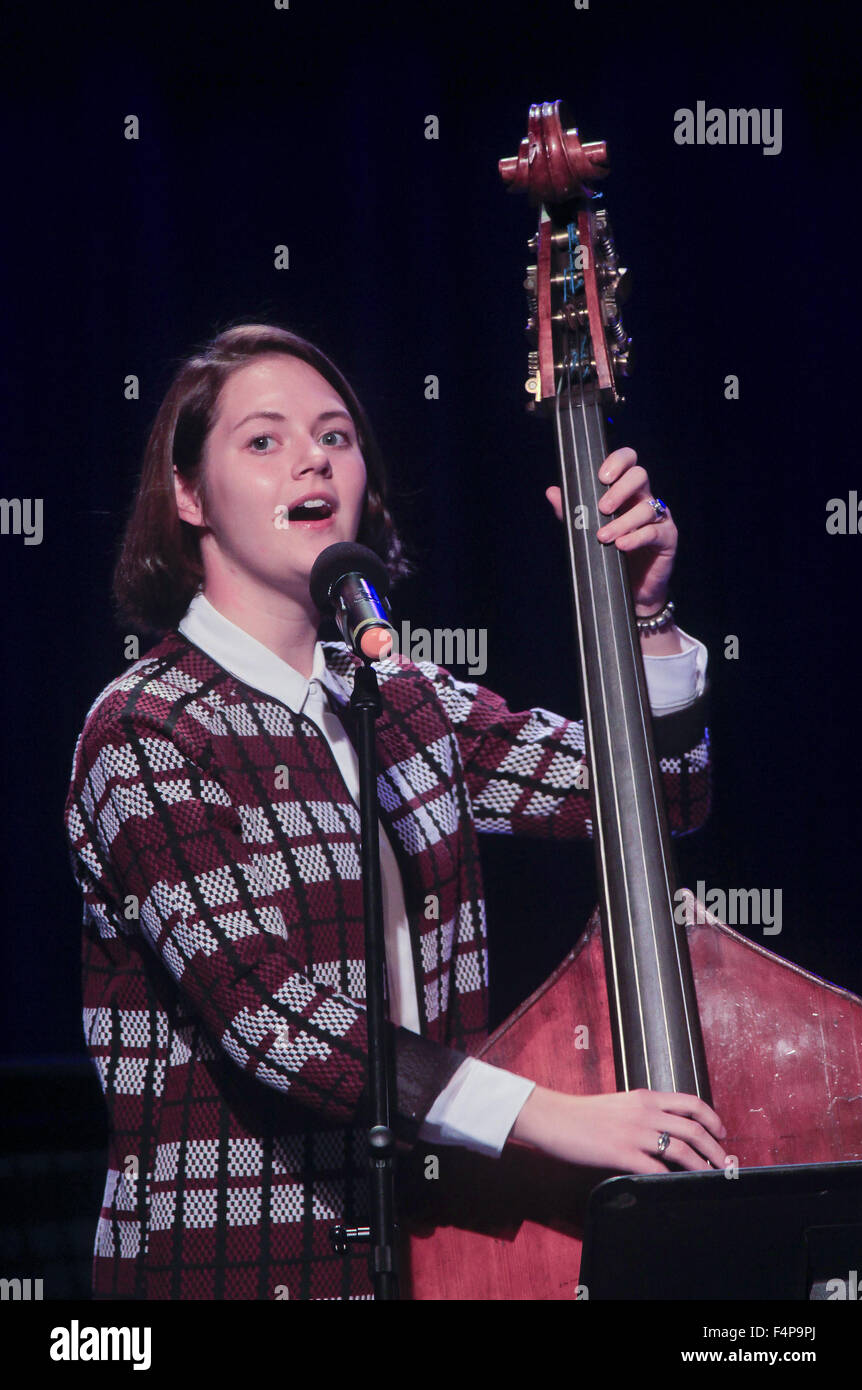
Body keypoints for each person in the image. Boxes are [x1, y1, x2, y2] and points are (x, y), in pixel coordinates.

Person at [63, 322, 726, 1301]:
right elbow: (269, 1013)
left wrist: (645, 618)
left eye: (335, 436)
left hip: (437, 1249)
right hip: (231, 1267)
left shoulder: (403, 699)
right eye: (263, 439)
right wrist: (549, 1115)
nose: (311, 458)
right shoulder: (146, 727)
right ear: (188, 496)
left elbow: (651, 796)